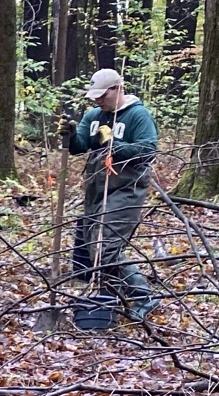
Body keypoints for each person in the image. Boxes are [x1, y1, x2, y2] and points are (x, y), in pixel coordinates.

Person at [63, 68, 158, 321]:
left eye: (102, 95)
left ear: (117, 89)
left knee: (106, 246)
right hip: (96, 187)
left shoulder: (138, 115)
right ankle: (108, 296)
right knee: (92, 243)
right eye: (95, 96)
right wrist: (71, 136)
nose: (97, 101)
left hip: (127, 188)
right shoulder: (93, 115)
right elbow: (81, 145)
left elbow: (149, 150)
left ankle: (144, 295)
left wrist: (115, 146)